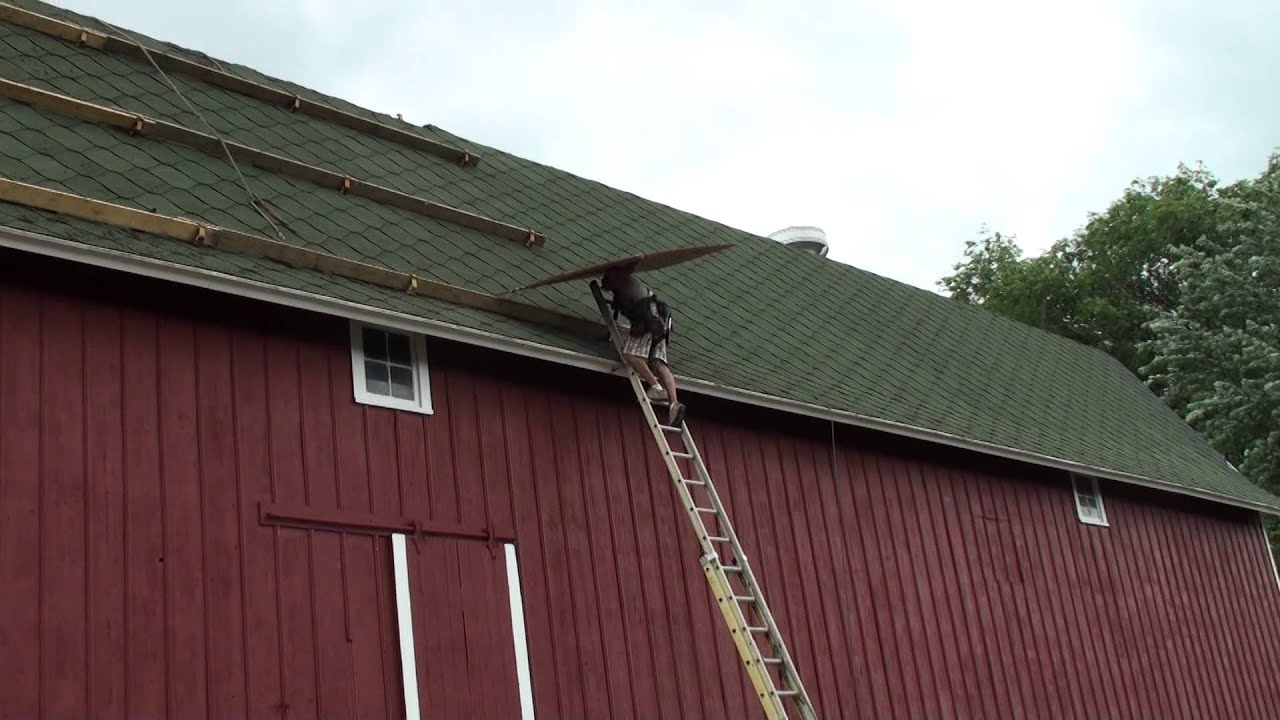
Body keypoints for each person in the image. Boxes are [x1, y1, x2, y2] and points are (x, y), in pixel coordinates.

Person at [601, 265, 686, 426]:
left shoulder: (621, 277)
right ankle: (674, 403)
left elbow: (627, 269)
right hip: (661, 321)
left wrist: (639, 260)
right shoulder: (629, 289)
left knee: (630, 355)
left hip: (646, 319)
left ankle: (656, 387)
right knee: (658, 363)